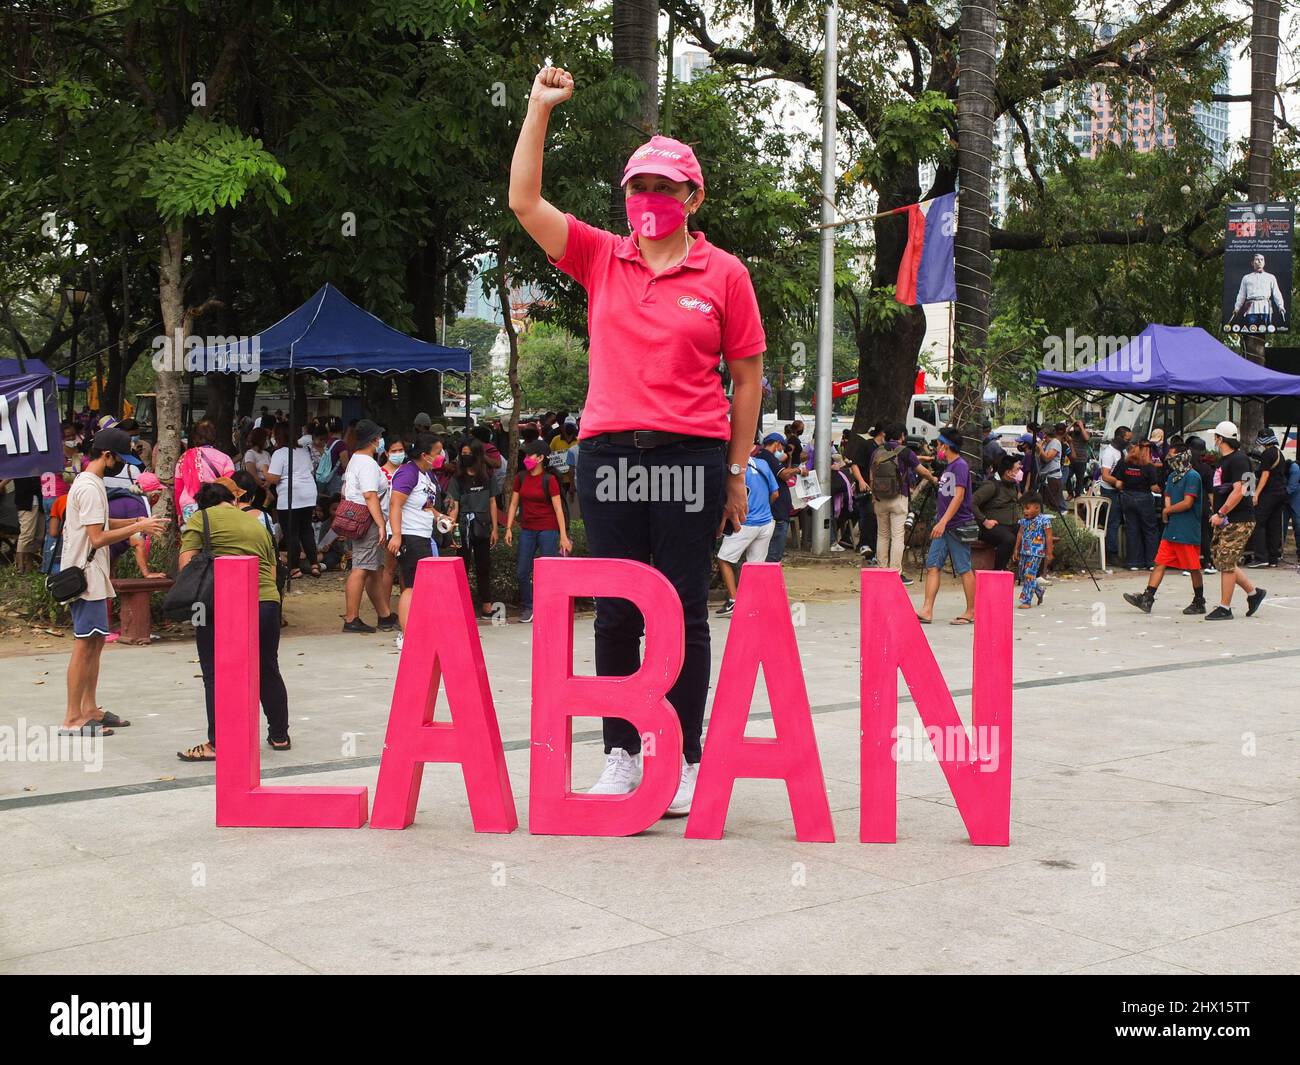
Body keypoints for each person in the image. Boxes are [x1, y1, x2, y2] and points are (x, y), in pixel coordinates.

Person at [511, 64, 765, 816]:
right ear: (624, 197)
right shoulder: (600, 256)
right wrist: (538, 107)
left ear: (693, 198)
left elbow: (746, 379)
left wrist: (738, 468)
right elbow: (525, 200)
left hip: (690, 454)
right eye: (637, 187)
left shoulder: (724, 274)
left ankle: (681, 754)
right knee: (619, 606)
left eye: (664, 187)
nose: (649, 199)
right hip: (610, 453)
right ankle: (621, 753)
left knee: (684, 604)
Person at [60, 427, 167, 736]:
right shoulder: (91, 487)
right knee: (85, 646)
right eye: (121, 459)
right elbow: (98, 536)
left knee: (94, 644)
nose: (124, 466)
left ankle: (90, 709)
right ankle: (71, 718)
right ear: (107, 456)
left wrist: (136, 522)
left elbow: (102, 523)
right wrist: (141, 524)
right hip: (86, 576)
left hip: (93, 576)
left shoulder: (91, 482)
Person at [177, 480, 290, 761]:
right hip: (266, 601)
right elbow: (273, 569)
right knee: (267, 667)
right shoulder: (256, 523)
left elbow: (186, 565)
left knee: (214, 671)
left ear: (204, 504)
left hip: (221, 603)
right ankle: (279, 735)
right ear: (232, 500)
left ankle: (218, 742)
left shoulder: (200, 518)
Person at [1123, 436, 1206, 615]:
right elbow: (1167, 495)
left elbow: (1187, 503)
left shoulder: (1192, 476)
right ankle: (1148, 597)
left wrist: (1167, 512)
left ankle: (1199, 600)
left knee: (1193, 567)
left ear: (1183, 457)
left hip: (1186, 528)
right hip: (1172, 529)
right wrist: (1167, 510)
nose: (1169, 459)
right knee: (1160, 562)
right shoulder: (1173, 476)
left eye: (1173, 456)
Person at [387, 434, 451, 644]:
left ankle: (420, 629)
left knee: (422, 585)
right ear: (424, 455)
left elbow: (426, 505)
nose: (441, 456)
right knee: (412, 586)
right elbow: (395, 504)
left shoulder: (428, 475)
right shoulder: (408, 473)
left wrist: (440, 517)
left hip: (422, 534)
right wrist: (396, 535)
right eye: (437, 452)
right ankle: (405, 634)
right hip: (409, 535)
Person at [505, 438, 572, 623]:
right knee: (522, 571)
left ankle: (549, 606)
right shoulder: (521, 477)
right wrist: (508, 528)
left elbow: (559, 509)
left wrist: (563, 536)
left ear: (541, 457)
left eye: (530, 455)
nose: (526, 458)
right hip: (527, 529)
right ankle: (529, 606)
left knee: (548, 571)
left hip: (548, 529)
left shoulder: (549, 480)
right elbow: (514, 504)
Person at [915, 426, 977, 626]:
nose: (937, 448)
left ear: (947, 446)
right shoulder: (948, 467)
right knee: (933, 565)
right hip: (942, 525)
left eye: (939, 445)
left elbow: (958, 496)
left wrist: (943, 521)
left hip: (955, 525)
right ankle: (927, 609)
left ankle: (970, 611)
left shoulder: (960, 466)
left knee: (964, 568)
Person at [340, 419, 397, 633]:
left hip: (359, 518)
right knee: (361, 568)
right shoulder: (368, 464)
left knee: (373, 569)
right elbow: (370, 495)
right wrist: (381, 524)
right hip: (369, 520)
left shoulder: (356, 459)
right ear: (374, 440)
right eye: (379, 437)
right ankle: (351, 618)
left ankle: (385, 615)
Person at [1205, 421, 1266, 621]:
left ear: (1220, 439)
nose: (1214, 440)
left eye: (1215, 437)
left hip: (1238, 518)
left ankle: (1225, 607)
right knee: (1223, 559)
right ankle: (1253, 593)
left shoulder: (1238, 460)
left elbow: (1241, 490)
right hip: (1228, 518)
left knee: (1227, 561)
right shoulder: (1227, 460)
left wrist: (1221, 513)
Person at [716, 447, 779, 617]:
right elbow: (775, 493)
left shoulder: (732, 469)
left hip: (745, 522)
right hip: (767, 522)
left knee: (724, 559)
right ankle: (753, 603)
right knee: (755, 566)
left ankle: (733, 600)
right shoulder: (763, 464)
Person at [447, 436, 498, 617]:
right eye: (463, 454)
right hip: (464, 528)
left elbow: (492, 502)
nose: (465, 457)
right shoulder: (457, 478)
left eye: (469, 454)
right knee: (463, 566)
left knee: (484, 566)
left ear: (477, 455)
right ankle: (461, 604)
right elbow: (454, 505)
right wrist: (452, 528)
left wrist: (495, 529)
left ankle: (486, 604)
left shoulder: (487, 477)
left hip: (483, 525)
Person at [265, 427, 320, 579]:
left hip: (291, 495)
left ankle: (295, 568)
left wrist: (264, 470)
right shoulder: (303, 451)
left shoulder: (279, 453)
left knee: (292, 532)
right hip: (308, 493)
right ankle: (314, 564)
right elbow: (310, 470)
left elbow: (274, 478)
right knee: (306, 529)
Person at [870, 424, 919, 585]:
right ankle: (895, 573)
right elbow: (920, 469)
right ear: (902, 436)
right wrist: (932, 478)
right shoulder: (905, 451)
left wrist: (873, 495)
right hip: (899, 498)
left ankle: (881, 569)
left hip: (880, 499)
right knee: (897, 536)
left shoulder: (877, 452)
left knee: (882, 535)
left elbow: (871, 475)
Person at [1105, 438, 1160, 570]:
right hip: (1144, 499)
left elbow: (1118, 483)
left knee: (1132, 529)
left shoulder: (1124, 463)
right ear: (1148, 451)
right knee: (1150, 530)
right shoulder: (1149, 467)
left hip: (1127, 498)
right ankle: (1151, 562)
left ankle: (1133, 563)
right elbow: (1153, 488)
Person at [107, 471, 167, 579]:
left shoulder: (128, 498)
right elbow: (138, 542)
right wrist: (146, 573)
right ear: (154, 496)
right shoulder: (138, 506)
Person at [174, 419, 234, 522]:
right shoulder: (224, 458)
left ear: (195, 437)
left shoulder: (184, 457)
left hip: (189, 505)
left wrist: (179, 512)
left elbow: (178, 487)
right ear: (214, 436)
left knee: (191, 536)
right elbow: (229, 485)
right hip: (214, 505)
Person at [752, 432, 797, 562]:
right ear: (777, 444)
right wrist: (798, 470)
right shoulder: (768, 456)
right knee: (774, 551)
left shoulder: (759, 456)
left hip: (772, 508)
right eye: (781, 447)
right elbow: (784, 475)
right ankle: (768, 574)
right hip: (777, 510)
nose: (782, 451)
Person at [973, 454, 1022, 571]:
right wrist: (984, 521)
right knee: (1008, 539)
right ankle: (998, 570)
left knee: (1032, 532)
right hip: (990, 528)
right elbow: (971, 502)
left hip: (1010, 525)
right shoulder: (991, 486)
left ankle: (1029, 571)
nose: (1020, 472)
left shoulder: (1013, 485)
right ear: (1008, 472)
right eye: (1017, 469)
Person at [1247, 428, 1287, 568]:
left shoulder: (1266, 454)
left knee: (1258, 523)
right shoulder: (1278, 453)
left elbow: (1265, 475)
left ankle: (1260, 557)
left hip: (1269, 493)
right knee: (1274, 526)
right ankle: (1273, 559)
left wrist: (1256, 493)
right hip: (1280, 493)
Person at [1011, 493, 1053, 608]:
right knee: (1025, 575)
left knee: (1029, 574)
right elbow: (1020, 534)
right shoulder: (1024, 521)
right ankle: (1039, 590)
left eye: (1027, 508)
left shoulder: (1044, 520)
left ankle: (1026, 600)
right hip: (1024, 551)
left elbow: (1049, 537)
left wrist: (1049, 553)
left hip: (1036, 552)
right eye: (1023, 508)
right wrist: (1016, 549)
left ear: (1037, 507)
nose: (1025, 511)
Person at [1098, 427, 1128, 561]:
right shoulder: (1108, 453)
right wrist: (1116, 482)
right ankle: (1111, 552)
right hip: (1109, 491)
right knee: (1113, 521)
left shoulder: (1123, 451)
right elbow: (1105, 476)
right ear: (1119, 437)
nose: (1128, 442)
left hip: (1120, 491)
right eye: (1127, 439)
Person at [1036, 424, 1064, 511]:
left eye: (1041, 432)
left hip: (1053, 478)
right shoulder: (1045, 443)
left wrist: (1040, 448)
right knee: (1043, 503)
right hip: (1044, 477)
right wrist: (1039, 448)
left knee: (1052, 504)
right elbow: (1039, 457)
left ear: (1045, 433)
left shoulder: (1055, 443)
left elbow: (1047, 458)